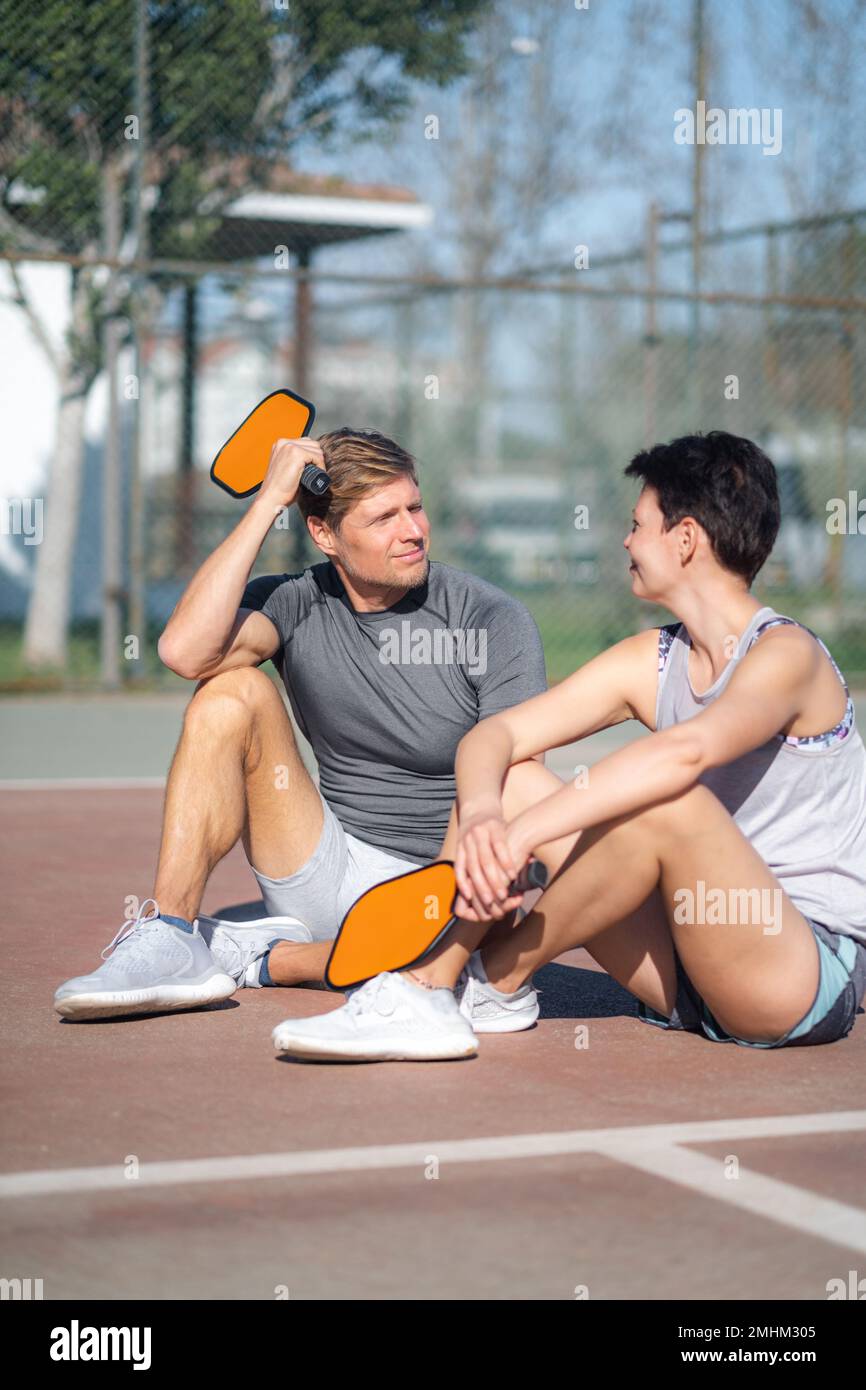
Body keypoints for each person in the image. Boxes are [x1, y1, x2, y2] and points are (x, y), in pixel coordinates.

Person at [272, 430, 866, 1061]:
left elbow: (683, 756)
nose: (626, 541)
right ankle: (439, 988)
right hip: (684, 963)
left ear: (685, 538)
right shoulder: (655, 659)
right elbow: (493, 736)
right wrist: (481, 818)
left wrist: (522, 837)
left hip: (795, 972)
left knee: (671, 800)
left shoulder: (787, 655)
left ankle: (479, 976)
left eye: (638, 525)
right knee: (510, 779)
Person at [54, 428, 548, 1028]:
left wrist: (443, 905)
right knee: (231, 690)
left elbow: (512, 783)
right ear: (323, 534)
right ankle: (172, 936)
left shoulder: (490, 618)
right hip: (328, 868)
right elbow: (185, 652)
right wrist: (266, 503)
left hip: (449, 886)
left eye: (414, 508)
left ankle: (270, 958)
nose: (413, 531)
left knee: (502, 822)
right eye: (383, 518)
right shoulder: (296, 601)